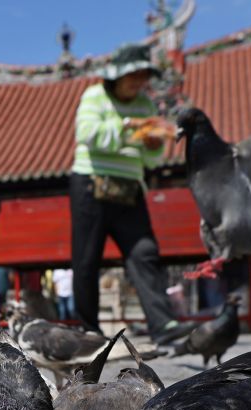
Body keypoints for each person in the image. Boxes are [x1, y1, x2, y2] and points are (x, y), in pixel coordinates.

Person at [70, 44, 178, 341]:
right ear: (116, 76)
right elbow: (87, 135)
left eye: (143, 77)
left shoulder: (146, 105)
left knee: (144, 252)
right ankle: (89, 329)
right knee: (87, 259)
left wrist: (154, 147)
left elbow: (149, 160)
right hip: (92, 183)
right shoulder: (95, 96)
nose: (138, 83)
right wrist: (129, 127)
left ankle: (162, 324)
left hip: (130, 186)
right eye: (133, 76)